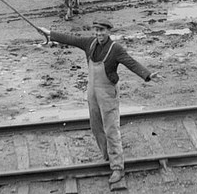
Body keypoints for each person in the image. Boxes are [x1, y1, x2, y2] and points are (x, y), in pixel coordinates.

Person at [37, 19, 154, 185]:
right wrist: (49, 33)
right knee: (96, 126)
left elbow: (131, 63)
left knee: (111, 129)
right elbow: (70, 39)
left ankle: (117, 167)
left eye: (102, 31)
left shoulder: (115, 49)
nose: (99, 34)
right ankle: (107, 155)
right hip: (92, 92)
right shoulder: (90, 44)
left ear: (108, 31)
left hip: (107, 93)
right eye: (97, 30)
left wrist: (147, 75)